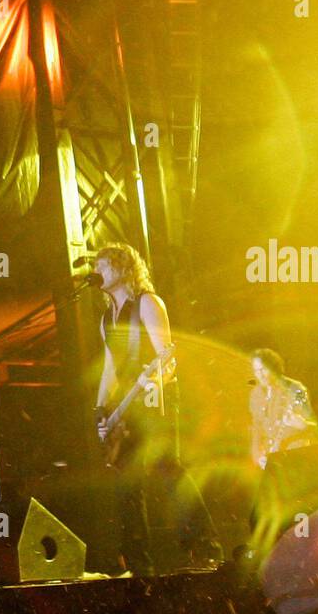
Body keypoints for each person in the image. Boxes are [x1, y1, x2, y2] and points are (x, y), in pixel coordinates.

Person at [93, 243, 222, 576]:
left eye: (103, 264)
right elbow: (109, 367)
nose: (97, 270)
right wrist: (100, 410)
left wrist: (156, 383)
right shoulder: (106, 318)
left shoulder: (148, 303)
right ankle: (138, 565)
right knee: (126, 482)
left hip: (155, 400)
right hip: (126, 407)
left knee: (168, 470)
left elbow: (167, 356)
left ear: (122, 268)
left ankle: (204, 549)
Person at [248, 348, 315, 469]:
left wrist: (301, 423)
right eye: (256, 371)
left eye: (263, 369)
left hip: (294, 455)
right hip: (270, 458)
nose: (260, 375)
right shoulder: (255, 394)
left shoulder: (296, 389)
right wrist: (258, 456)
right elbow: (256, 428)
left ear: (274, 367)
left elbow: (311, 425)